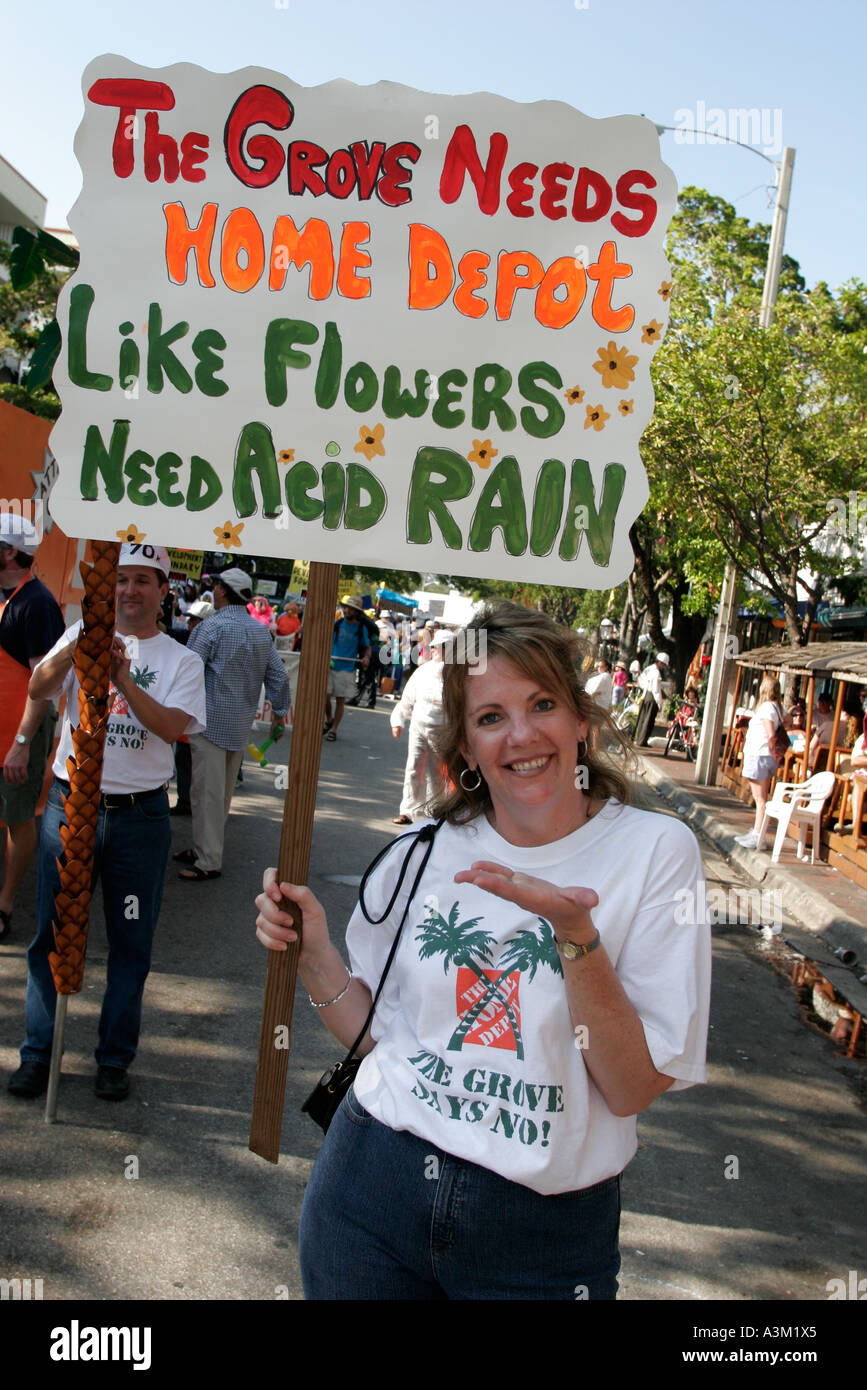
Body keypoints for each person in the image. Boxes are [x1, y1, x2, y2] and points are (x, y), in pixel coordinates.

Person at [254, 601, 710, 1300]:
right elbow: (379, 1040)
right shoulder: (417, 854)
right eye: (490, 717)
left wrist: (576, 940)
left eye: (542, 703)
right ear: (464, 748)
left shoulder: (653, 851)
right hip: (370, 1190)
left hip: (542, 1237)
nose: (521, 735)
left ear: (580, 719)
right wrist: (314, 954)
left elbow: (629, 1086)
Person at [8, 543, 207, 1100]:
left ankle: (114, 1059)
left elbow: (172, 729)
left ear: (163, 591)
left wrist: (122, 679)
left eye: (143, 581)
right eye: (121, 580)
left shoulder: (180, 660)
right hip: (72, 807)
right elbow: (39, 687)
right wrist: (79, 651)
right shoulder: (78, 634)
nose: (129, 591)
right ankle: (38, 1054)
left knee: (130, 942)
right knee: (50, 933)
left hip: (139, 819)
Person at [175, 568, 289, 880]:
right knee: (220, 794)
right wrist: (279, 715)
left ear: (224, 591)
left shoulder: (211, 627)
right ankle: (204, 848)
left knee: (206, 793)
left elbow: (188, 672)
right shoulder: (259, 631)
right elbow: (278, 676)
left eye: (215, 585)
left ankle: (208, 860)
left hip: (209, 723)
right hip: (238, 724)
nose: (213, 589)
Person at [0, 513, 65, 940]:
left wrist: (22, 743)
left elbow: (44, 684)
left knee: (18, 820)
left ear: (9, 552)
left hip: (15, 736)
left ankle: (4, 904)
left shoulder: (37, 604)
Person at [390, 630, 450, 824]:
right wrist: (398, 721)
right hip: (418, 726)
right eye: (434, 646)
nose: (435, 650)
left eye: (440, 647)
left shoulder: (459, 675)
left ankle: (436, 812)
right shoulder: (423, 671)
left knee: (437, 773)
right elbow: (407, 697)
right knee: (414, 768)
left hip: (443, 730)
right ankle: (408, 810)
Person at [735, 674, 785, 850]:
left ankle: (759, 835)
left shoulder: (766, 708)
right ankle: (757, 832)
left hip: (760, 754)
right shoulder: (777, 708)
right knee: (760, 797)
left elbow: (770, 734)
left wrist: (773, 751)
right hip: (764, 755)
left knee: (760, 798)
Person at [324, 597, 378, 739]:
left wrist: (366, 657)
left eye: (351, 608)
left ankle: (333, 729)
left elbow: (367, 648)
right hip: (331, 665)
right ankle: (329, 719)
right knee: (324, 696)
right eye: (345, 607)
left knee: (340, 701)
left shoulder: (361, 628)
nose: (347, 610)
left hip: (347, 668)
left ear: (356, 612)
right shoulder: (337, 624)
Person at [633, 651, 672, 746]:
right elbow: (656, 689)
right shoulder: (656, 673)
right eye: (663, 664)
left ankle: (639, 739)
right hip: (652, 697)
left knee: (643, 718)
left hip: (645, 694)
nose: (663, 667)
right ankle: (642, 741)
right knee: (648, 720)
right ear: (661, 663)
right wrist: (659, 702)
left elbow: (641, 681)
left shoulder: (648, 669)